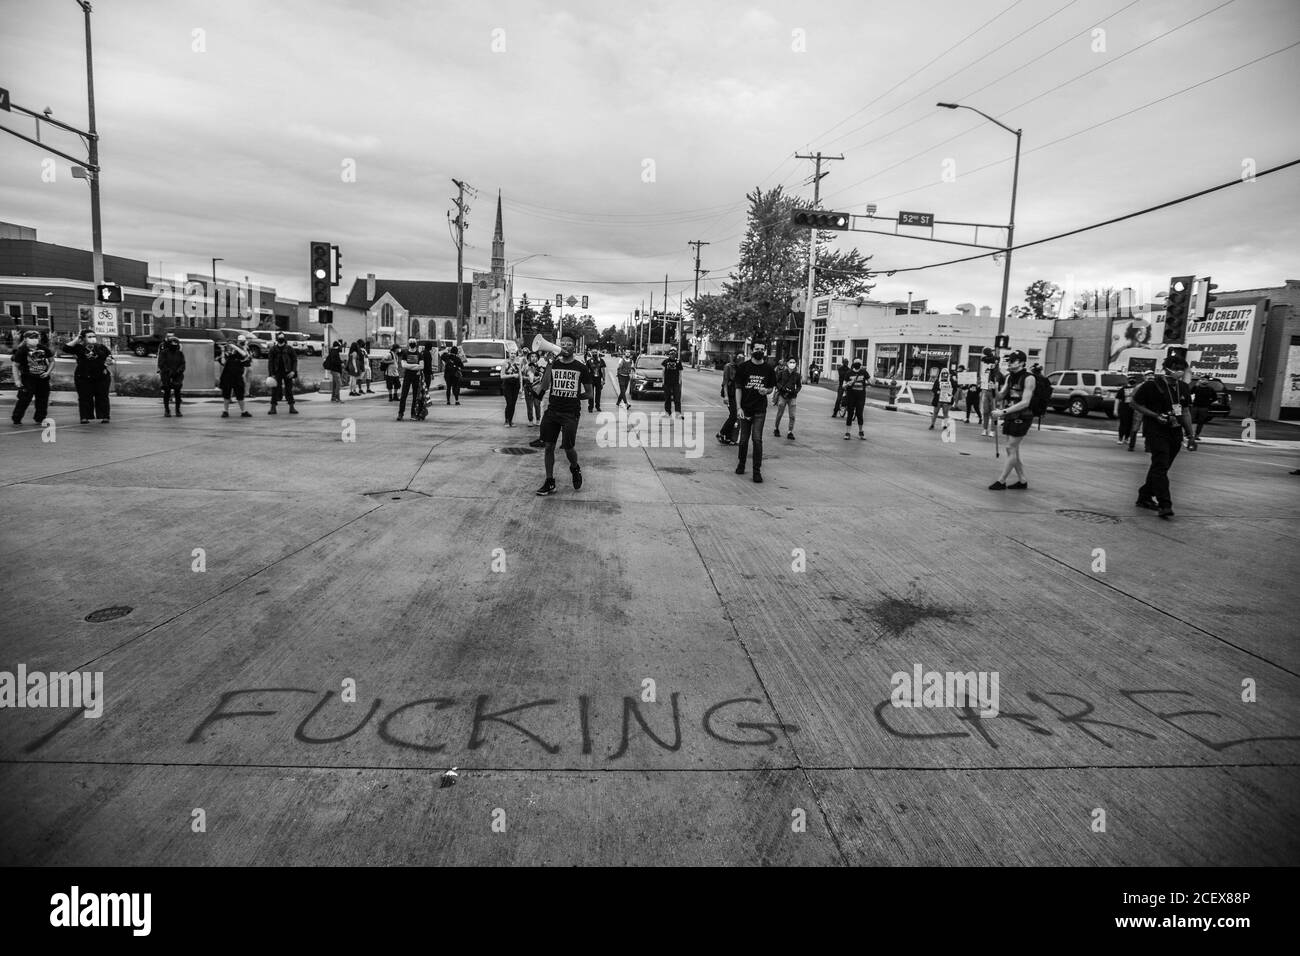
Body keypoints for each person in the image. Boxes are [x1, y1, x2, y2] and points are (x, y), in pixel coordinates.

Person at [1131, 353, 1196, 518]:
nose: (1178, 372)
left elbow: (1186, 411)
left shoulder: (1183, 387)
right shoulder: (1151, 386)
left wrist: (1191, 435)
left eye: (1181, 369)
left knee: (1161, 467)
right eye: (1175, 369)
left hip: (1175, 432)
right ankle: (1165, 504)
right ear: (1166, 368)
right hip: (1156, 430)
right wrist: (1154, 415)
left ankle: (1144, 496)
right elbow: (1134, 403)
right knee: (1160, 465)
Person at [533, 334, 592, 496]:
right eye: (563, 344)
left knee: (568, 447)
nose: (565, 346)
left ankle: (575, 467)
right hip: (552, 411)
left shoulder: (581, 367)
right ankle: (550, 481)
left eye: (569, 344)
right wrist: (550, 363)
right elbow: (544, 385)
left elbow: (589, 394)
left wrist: (574, 396)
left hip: (570, 413)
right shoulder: (554, 363)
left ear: (574, 348)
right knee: (548, 446)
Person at [988, 350, 1035, 490]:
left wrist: (1002, 412)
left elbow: (1025, 402)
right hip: (1010, 415)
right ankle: (1022, 480)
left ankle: (1001, 481)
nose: (1010, 363)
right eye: (1009, 360)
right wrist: (995, 389)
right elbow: (1000, 397)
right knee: (1013, 451)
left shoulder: (1029, 378)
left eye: (1013, 361)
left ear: (1022, 362)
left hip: (1023, 416)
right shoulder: (1009, 377)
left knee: (1010, 448)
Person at [734, 345, 776, 483]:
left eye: (762, 349)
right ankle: (741, 464)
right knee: (744, 439)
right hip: (745, 409)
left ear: (765, 351)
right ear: (751, 350)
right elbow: (738, 388)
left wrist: (767, 391)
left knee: (757, 440)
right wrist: (738, 407)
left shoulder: (769, 369)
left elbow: (771, 388)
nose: (759, 351)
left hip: (760, 409)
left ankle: (756, 471)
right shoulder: (743, 367)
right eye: (756, 348)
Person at [63, 329, 115, 423]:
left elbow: (111, 358)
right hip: (83, 376)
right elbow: (66, 348)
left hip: (101, 376)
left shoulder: (101, 347)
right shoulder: (79, 347)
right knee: (84, 397)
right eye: (89, 337)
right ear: (83, 338)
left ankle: (104, 416)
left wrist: (110, 361)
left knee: (102, 396)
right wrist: (77, 339)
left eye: (93, 336)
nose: (92, 338)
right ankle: (85, 417)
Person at [10, 330, 55, 427]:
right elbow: (15, 365)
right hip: (28, 379)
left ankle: (40, 418)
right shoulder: (22, 350)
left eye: (36, 337)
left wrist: (48, 372)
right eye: (32, 338)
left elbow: (52, 361)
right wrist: (17, 380)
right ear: (26, 339)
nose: (34, 340)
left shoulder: (44, 348)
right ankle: (17, 418)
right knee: (24, 399)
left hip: (42, 379)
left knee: (43, 400)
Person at [217, 338, 252, 418]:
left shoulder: (240, 353)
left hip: (237, 377)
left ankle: (243, 411)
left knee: (240, 395)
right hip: (227, 377)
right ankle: (225, 411)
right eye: (228, 345)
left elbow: (245, 355)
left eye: (231, 345)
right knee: (226, 395)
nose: (230, 347)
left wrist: (235, 347)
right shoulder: (227, 354)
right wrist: (223, 351)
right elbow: (223, 362)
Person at [267, 332, 299, 414]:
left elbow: (295, 360)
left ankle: (292, 407)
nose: (280, 339)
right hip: (277, 372)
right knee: (275, 390)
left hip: (287, 372)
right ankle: (273, 408)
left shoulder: (289, 349)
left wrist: (293, 371)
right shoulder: (273, 349)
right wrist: (271, 374)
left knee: (289, 390)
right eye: (279, 338)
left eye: (282, 338)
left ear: (284, 339)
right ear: (277, 339)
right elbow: (270, 362)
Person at [157, 332, 186, 418]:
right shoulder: (164, 353)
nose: (174, 346)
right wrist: (168, 371)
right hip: (166, 375)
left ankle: (178, 410)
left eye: (175, 344)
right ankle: (167, 410)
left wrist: (178, 371)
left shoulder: (179, 353)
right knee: (167, 392)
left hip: (177, 375)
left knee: (177, 393)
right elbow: (161, 364)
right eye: (172, 344)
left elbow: (183, 364)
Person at [395, 337, 424, 421]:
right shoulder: (405, 353)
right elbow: (403, 365)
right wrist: (415, 366)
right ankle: (401, 413)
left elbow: (422, 366)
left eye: (413, 342)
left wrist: (409, 366)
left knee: (415, 396)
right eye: (411, 342)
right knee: (404, 395)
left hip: (415, 377)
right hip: (408, 376)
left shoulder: (419, 354)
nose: (412, 344)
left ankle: (413, 414)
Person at [978, 349, 1005, 438]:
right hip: (987, 392)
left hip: (995, 393)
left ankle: (992, 430)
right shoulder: (987, 372)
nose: (990, 364)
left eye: (992, 363)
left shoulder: (999, 374)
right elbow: (984, 359)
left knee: (993, 413)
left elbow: (1001, 386)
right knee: (985, 411)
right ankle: (985, 428)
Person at [773, 357, 801, 440]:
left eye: (794, 362)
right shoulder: (782, 373)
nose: (792, 364)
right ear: (787, 363)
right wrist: (782, 388)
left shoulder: (797, 375)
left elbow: (799, 386)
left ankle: (790, 432)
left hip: (792, 396)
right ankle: (776, 428)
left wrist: (795, 391)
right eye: (791, 362)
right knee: (780, 413)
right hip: (783, 395)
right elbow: (776, 382)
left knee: (792, 415)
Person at [716, 350, 741, 445]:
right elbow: (725, 382)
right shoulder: (728, 367)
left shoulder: (741, 367)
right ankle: (721, 433)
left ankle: (729, 437)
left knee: (735, 417)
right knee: (733, 415)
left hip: (737, 394)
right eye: (739, 357)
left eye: (742, 358)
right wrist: (726, 396)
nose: (741, 359)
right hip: (730, 394)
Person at [843, 358, 869, 439]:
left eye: (859, 363)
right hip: (851, 396)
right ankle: (847, 433)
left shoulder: (864, 372)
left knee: (859, 414)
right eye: (856, 362)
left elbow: (869, 381)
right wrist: (848, 383)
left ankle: (861, 432)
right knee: (850, 413)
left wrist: (868, 382)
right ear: (853, 363)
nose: (858, 364)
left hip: (861, 396)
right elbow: (843, 385)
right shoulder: (849, 373)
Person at [501, 349, 523, 426]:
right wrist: (512, 375)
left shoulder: (518, 364)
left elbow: (520, 376)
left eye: (514, 353)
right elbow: (502, 376)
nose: (513, 355)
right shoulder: (505, 363)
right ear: (509, 354)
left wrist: (521, 387)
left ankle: (511, 421)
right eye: (511, 353)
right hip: (507, 385)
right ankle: (506, 420)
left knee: (513, 404)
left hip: (516, 385)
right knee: (509, 403)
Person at [1115, 375, 1138, 446]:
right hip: (1124, 409)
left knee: (1130, 425)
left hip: (1133, 409)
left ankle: (1127, 438)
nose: (1132, 380)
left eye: (1134, 379)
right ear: (1128, 380)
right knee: (1123, 424)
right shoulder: (1122, 389)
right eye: (1131, 379)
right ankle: (1120, 438)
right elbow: (1117, 399)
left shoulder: (1136, 389)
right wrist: (1115, 410)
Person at [521, 350, 542, 425]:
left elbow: (543, 376)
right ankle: (530, 420)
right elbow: (522, 377)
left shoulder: (540, 366)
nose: (534, 358)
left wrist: (538, 377)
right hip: (528, 388)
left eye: (535, 356)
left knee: (537, 404)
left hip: (537, 388)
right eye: (532, 356)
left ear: (537, 358)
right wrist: (528, 378)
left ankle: (538, 419)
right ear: (529, 358)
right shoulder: (526, 366)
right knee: (529, 405)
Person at [661, 347, 683, 416]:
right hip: (667, 382)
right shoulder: (665, 361)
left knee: (677, 398)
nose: (672, 354)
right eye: (671, 353)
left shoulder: (678, 362)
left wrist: (679, 381)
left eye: (674, 353)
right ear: (669, 353)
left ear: (676, 353)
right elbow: (663, 372)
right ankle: (667, 412)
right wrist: (663, 381)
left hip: (676, 383)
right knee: (667, 398)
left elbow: (680, 372)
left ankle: (678, 413)